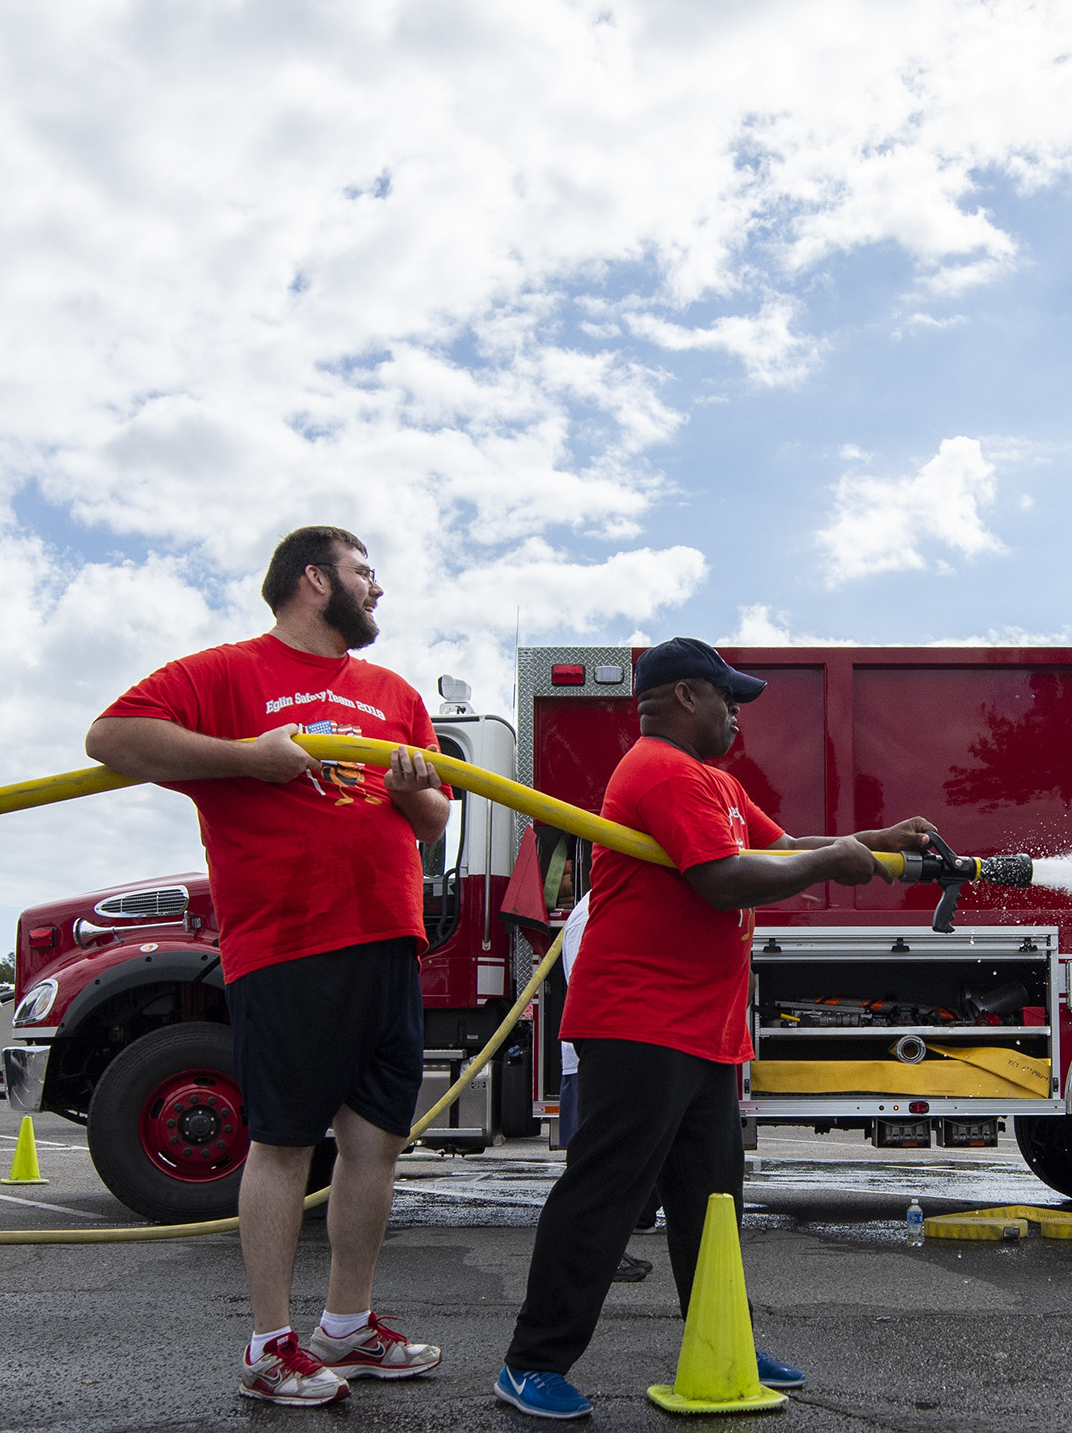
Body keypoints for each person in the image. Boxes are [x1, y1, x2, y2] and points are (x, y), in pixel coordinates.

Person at [494, 638, 944, 1421]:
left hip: (699, 1027)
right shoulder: (657, 769)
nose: (739, 713)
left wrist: (872, 841)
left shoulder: (716, 783)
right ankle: (532, 1361)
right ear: (684, 696)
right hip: (641, 1020)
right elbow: (721, 879)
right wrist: (832, 861)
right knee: (606, 1193)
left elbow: (778, 849)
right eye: (729, 696)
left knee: (713, 1201)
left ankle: (722, 1331)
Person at [86, 526, 453, 1407]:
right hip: (289, 941)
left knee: (374, 1142)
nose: (379, 589)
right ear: (315, 578)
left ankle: (348, 1325)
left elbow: (435, 818)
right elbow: (110, 737)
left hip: (385, 938)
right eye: (367, 572)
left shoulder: (392, 692)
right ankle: (267, 1345)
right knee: (285, 1140)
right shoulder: (225, 673)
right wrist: (248, 758)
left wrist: (411, 786)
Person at [547, 891, 652, 1284]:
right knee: (592, 1172)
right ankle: (583, 1259)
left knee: (615, 1167)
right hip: (593, 1060)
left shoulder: (604, 905)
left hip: (599, 1056)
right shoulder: (594, 910)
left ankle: (603, 1251)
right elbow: (590, 983)